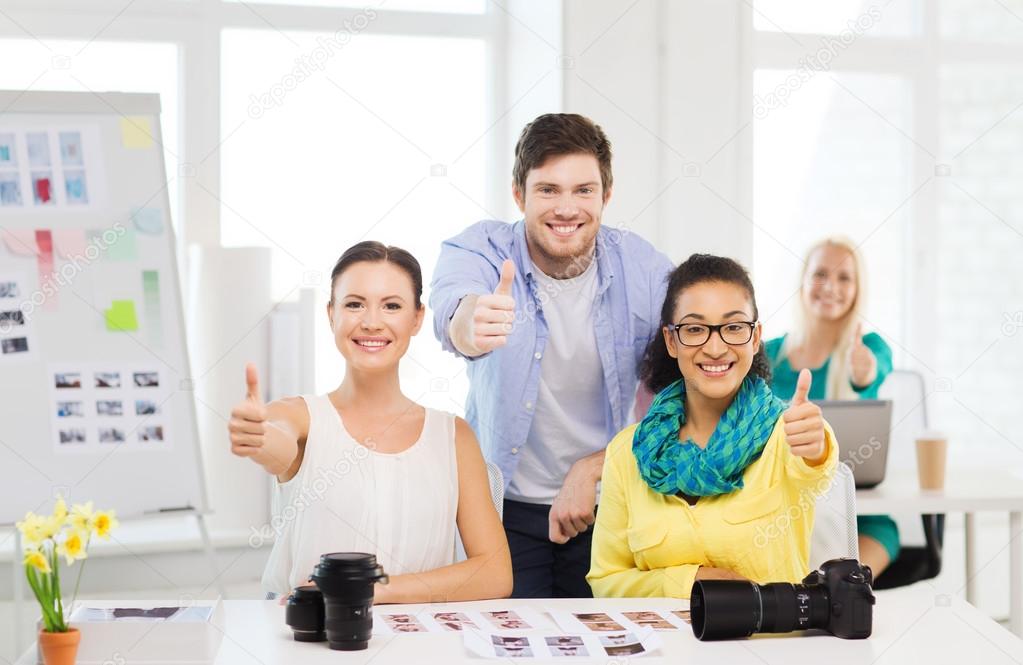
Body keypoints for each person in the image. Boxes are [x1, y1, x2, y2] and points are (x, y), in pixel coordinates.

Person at [430, 113, 674, 598]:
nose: (566, 208)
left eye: (583, 190)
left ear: (606, 195)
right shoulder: (481, 249)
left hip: (609, 507)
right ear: (519, 195)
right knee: (510, 646)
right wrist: (472, 322)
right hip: (503, 512)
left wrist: (594, 467)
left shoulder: (643, 269)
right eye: (548, 190)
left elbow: (686, 387)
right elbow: (452, 306)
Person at [228, 241, 512, 601]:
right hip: (314, 645)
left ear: (417, 319)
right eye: (354, 304)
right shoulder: (300, 417)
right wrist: (257, 435)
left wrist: (371, 590)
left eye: (392, 306)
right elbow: (275, 441)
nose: (372, 322)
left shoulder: (453, 436)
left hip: (421, 647)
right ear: (331, 314)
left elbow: (495, 573)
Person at [587, 254, 837, 598]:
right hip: (667, 647)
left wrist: (818, 442)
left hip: (768, 646)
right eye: (694, 329)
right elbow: (606, 582)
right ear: (672, 341)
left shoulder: (786, 434)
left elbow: (816, 466)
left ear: (755, 337)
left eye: (734, 327)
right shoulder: (626, 452)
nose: (716, 347)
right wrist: (691, 582)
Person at [764, 236, 897, 576]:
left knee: (840, 592)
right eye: (821, 274)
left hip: (859, 516)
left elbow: (871, 370)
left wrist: (862, 371)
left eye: (844, 277)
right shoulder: (768, 354)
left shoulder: (869, 348)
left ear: (857, 288)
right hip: (785, 510)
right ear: (804, 282)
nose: (830, 287)